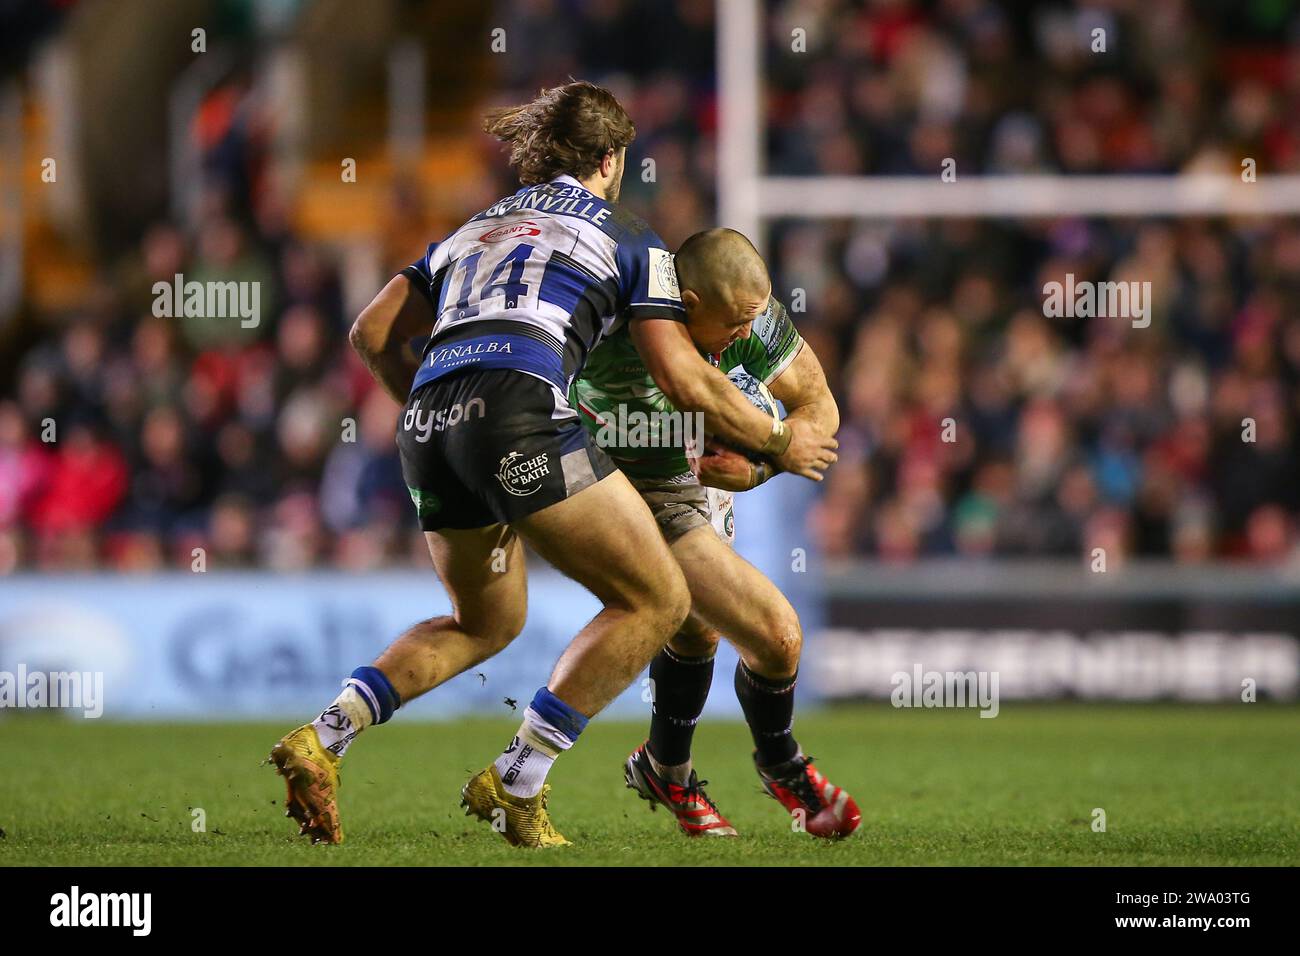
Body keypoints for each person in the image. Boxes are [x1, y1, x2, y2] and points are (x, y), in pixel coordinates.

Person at [268, 83, 838, 847]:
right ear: (610, 158)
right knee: (660, 602)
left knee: (484, 622)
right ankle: (517, 778)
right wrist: (776, 443)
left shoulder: (473, 228)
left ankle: (324, 736)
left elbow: (371, 334)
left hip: (429, 419)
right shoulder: (633, 239)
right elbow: (682, 378)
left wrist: (446, 409)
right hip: (519, 409)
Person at [573, 228, 860, 838]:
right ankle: (780, 765)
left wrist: (758, 463)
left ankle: (664, 768)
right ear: (692, 304)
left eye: (752, 320)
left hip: (696, 482)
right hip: (620, 486)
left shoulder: (751, 321)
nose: (744, 334)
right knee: (775, 632)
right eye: (735, 321)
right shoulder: (619, 317)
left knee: (704, 631)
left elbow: (819, 408)